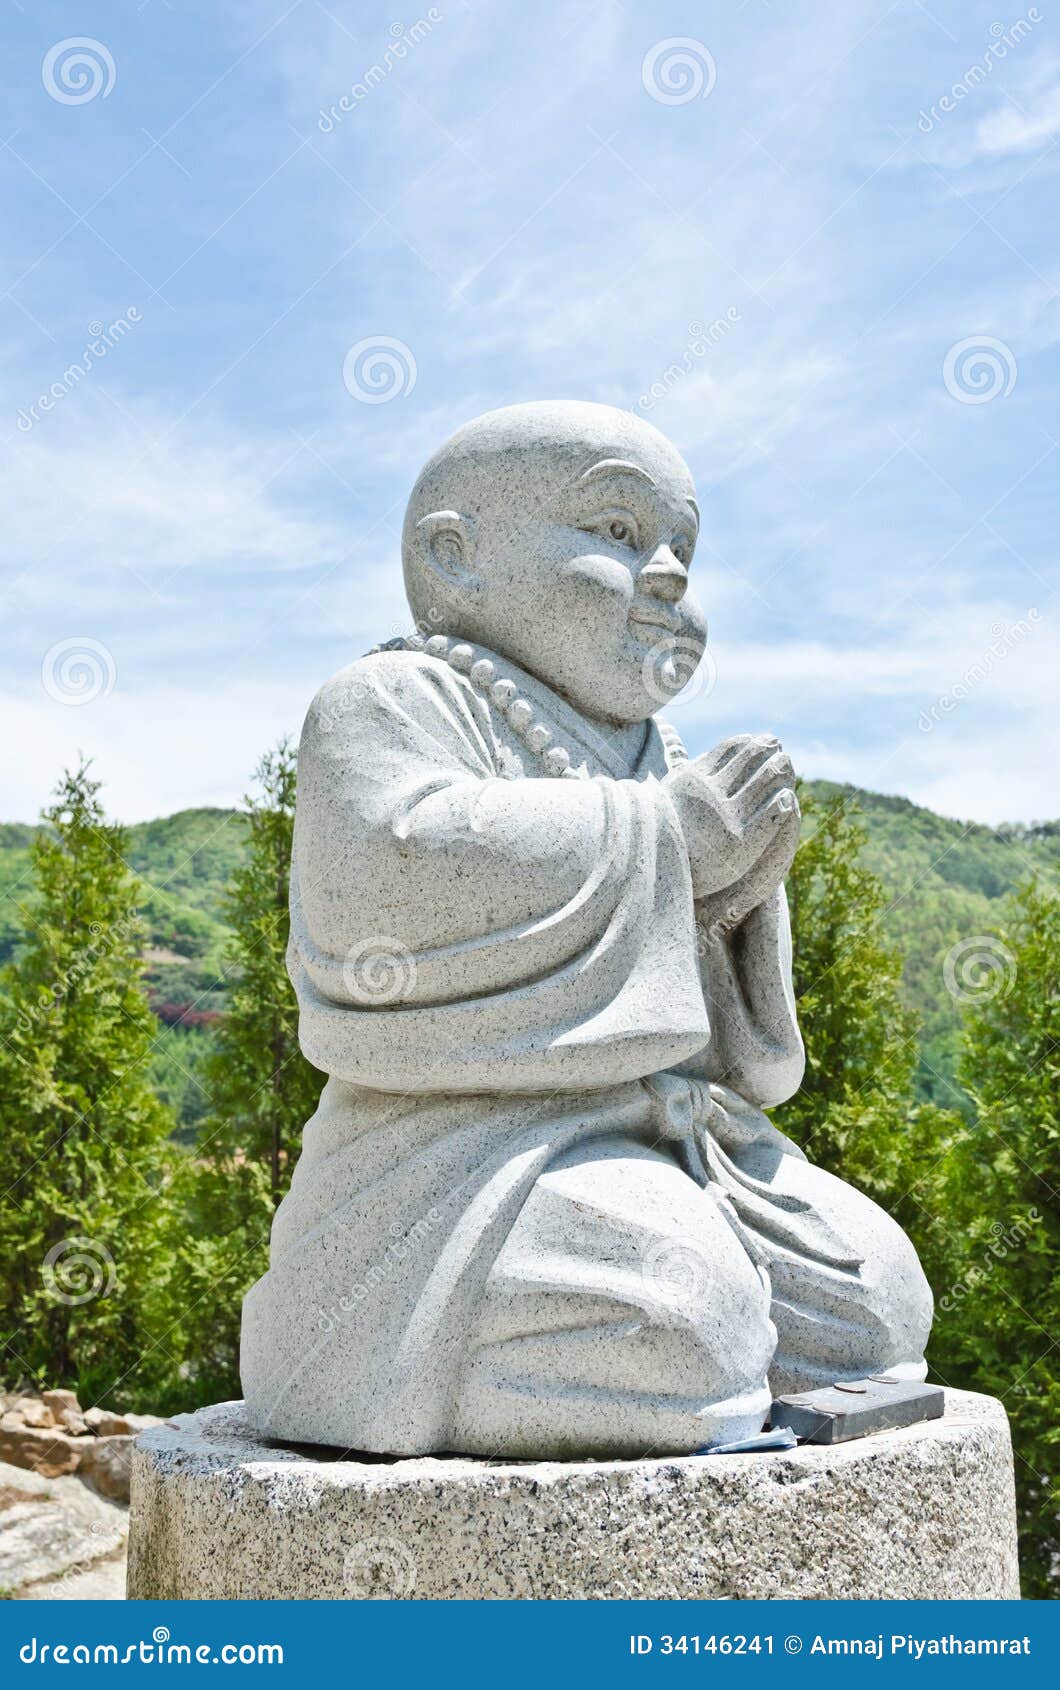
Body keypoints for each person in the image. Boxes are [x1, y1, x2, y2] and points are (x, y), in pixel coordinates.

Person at [240, 401, 932, 1458]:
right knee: (684, 1327)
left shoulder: (660, 747)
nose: (666, 575)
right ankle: (380, 1348)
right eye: (616, 533)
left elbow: (737, 1047)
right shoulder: (390, 700)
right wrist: (667, 837)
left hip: (676, 1133)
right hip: (459, 1153)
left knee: (879, 1307)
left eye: (680, 550)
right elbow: (392, 870)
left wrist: (733, 894)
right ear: (454, 556)